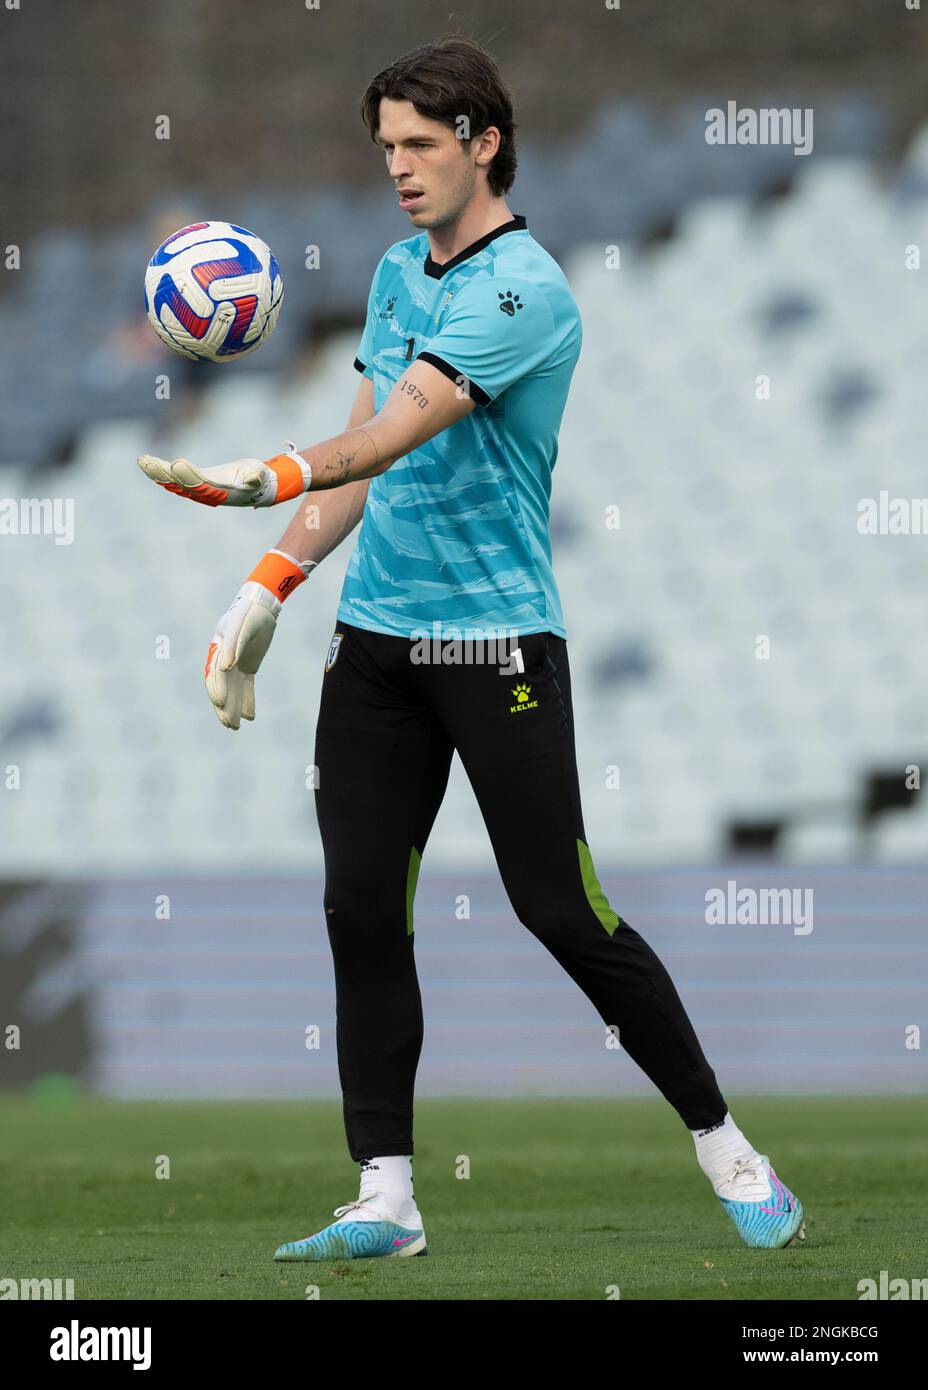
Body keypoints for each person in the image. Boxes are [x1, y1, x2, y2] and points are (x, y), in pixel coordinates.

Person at [138, 35, 804, 1261]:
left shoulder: (526, 291)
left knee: (561, 906)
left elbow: (392, 435)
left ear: (484, 142)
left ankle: (728, 1147)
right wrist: (267, 580)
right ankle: (385, 1198)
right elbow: (354, 451)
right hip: (378, 649)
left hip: (496, 648)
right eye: (384, 145)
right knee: (358, 907)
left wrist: (254, 477)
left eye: (419, 144)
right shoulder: (398, 271)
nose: (396, 167)